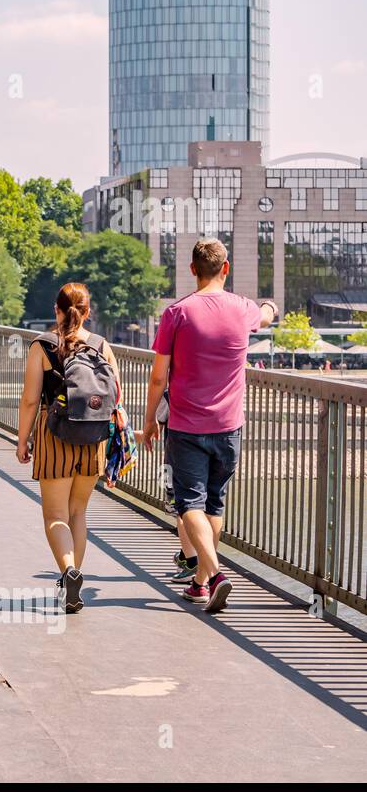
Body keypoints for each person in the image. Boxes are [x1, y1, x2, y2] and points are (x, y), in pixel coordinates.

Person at [141, 238, 278, 614]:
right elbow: (265, 316)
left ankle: (214, 574)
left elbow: (158, 377)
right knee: (213, 504)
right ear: (226, 268)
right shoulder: (242, 309)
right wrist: (269, 305)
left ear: (192, 270)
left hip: (186, 424)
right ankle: (200, 584)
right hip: (230, 426)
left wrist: (150, 419)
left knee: (189, 504)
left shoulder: (177, 313)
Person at [15, 283, 120, 614]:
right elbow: (115, 396)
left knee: (55, 515)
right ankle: (71, 579)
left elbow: (31, 399)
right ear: (88, 312)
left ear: (56, 310)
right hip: (92, 439)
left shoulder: (43, 346)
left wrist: (22, 439)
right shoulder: (102, 346)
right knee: (78, 512)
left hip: (54, 436)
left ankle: (68, 572)